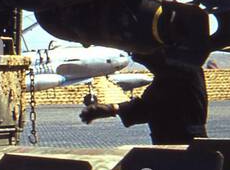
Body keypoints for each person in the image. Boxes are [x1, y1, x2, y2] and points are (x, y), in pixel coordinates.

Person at [79, 45, 208, 144]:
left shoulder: (187, 72)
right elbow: (150, 108)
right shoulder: (165, 81)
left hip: (188, 147)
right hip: (169, 147)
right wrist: (111, 109)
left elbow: (152, 106)